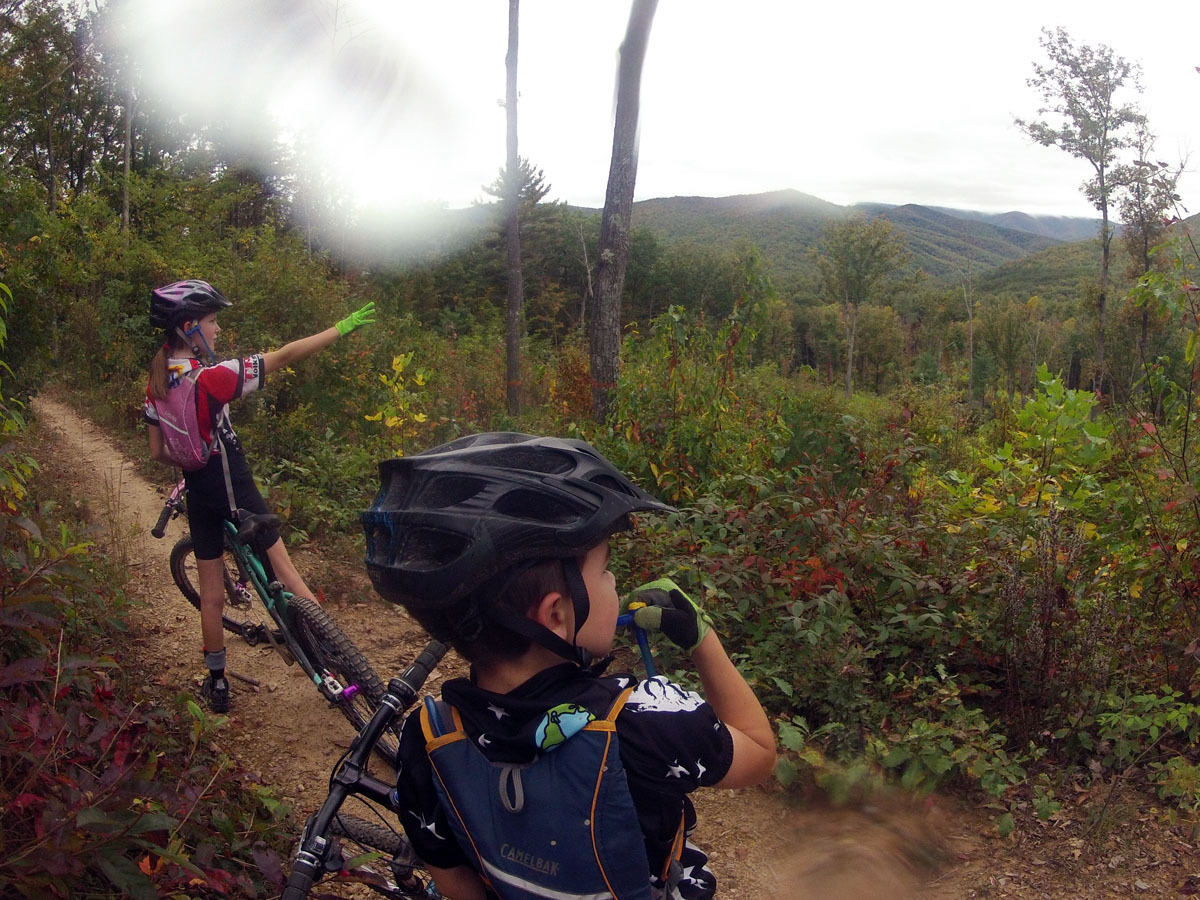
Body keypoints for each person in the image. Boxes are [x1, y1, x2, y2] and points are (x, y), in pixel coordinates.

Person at [362, 432, 777, 900]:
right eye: (605, 570)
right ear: (556, 614)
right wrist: (701, 637)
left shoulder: (428, 736)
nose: (614, 581)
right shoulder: (644, 720)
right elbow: (760, 753)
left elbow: (457, 884)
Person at [144, 279, 375, 713]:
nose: (217, 330)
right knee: (286, 573)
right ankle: (339, 658)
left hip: (198, 491)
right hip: (235, 487)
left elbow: (157, 452)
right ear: (189, 327)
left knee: (211, 595)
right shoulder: (212, 378)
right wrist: (341, 328)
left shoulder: (158, 382)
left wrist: (192, 464)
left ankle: (217, 683)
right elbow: (284, 355)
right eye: (212, 321)